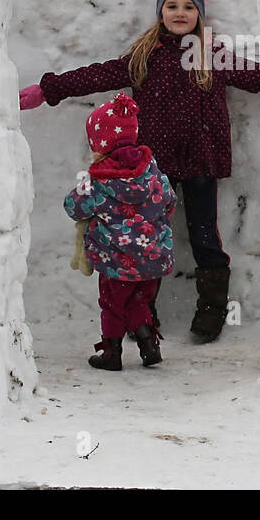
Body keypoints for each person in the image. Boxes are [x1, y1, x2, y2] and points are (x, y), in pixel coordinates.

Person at [22, 0, 260, 342]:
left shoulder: (212, 56)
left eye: (187, 7)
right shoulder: (144, 55)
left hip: (202, 161)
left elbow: (258, 76)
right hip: (154, 172)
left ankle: (212, 311)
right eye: (172, 6)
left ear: (199, 14)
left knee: (204, 238)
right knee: (145, 239)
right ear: (160, 12)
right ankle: (142, 311)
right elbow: (98, 75)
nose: (180, 13)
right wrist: (49, 89)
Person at [64, 93, 176, 370]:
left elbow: (74, 207)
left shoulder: (99, 179)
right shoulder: (151, 170)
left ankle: (111, 353)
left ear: (100, 143)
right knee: (139, 299)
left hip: (117, 260)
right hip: (151, 256)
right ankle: (148, 343)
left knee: (113, 303)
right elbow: (169, 198)